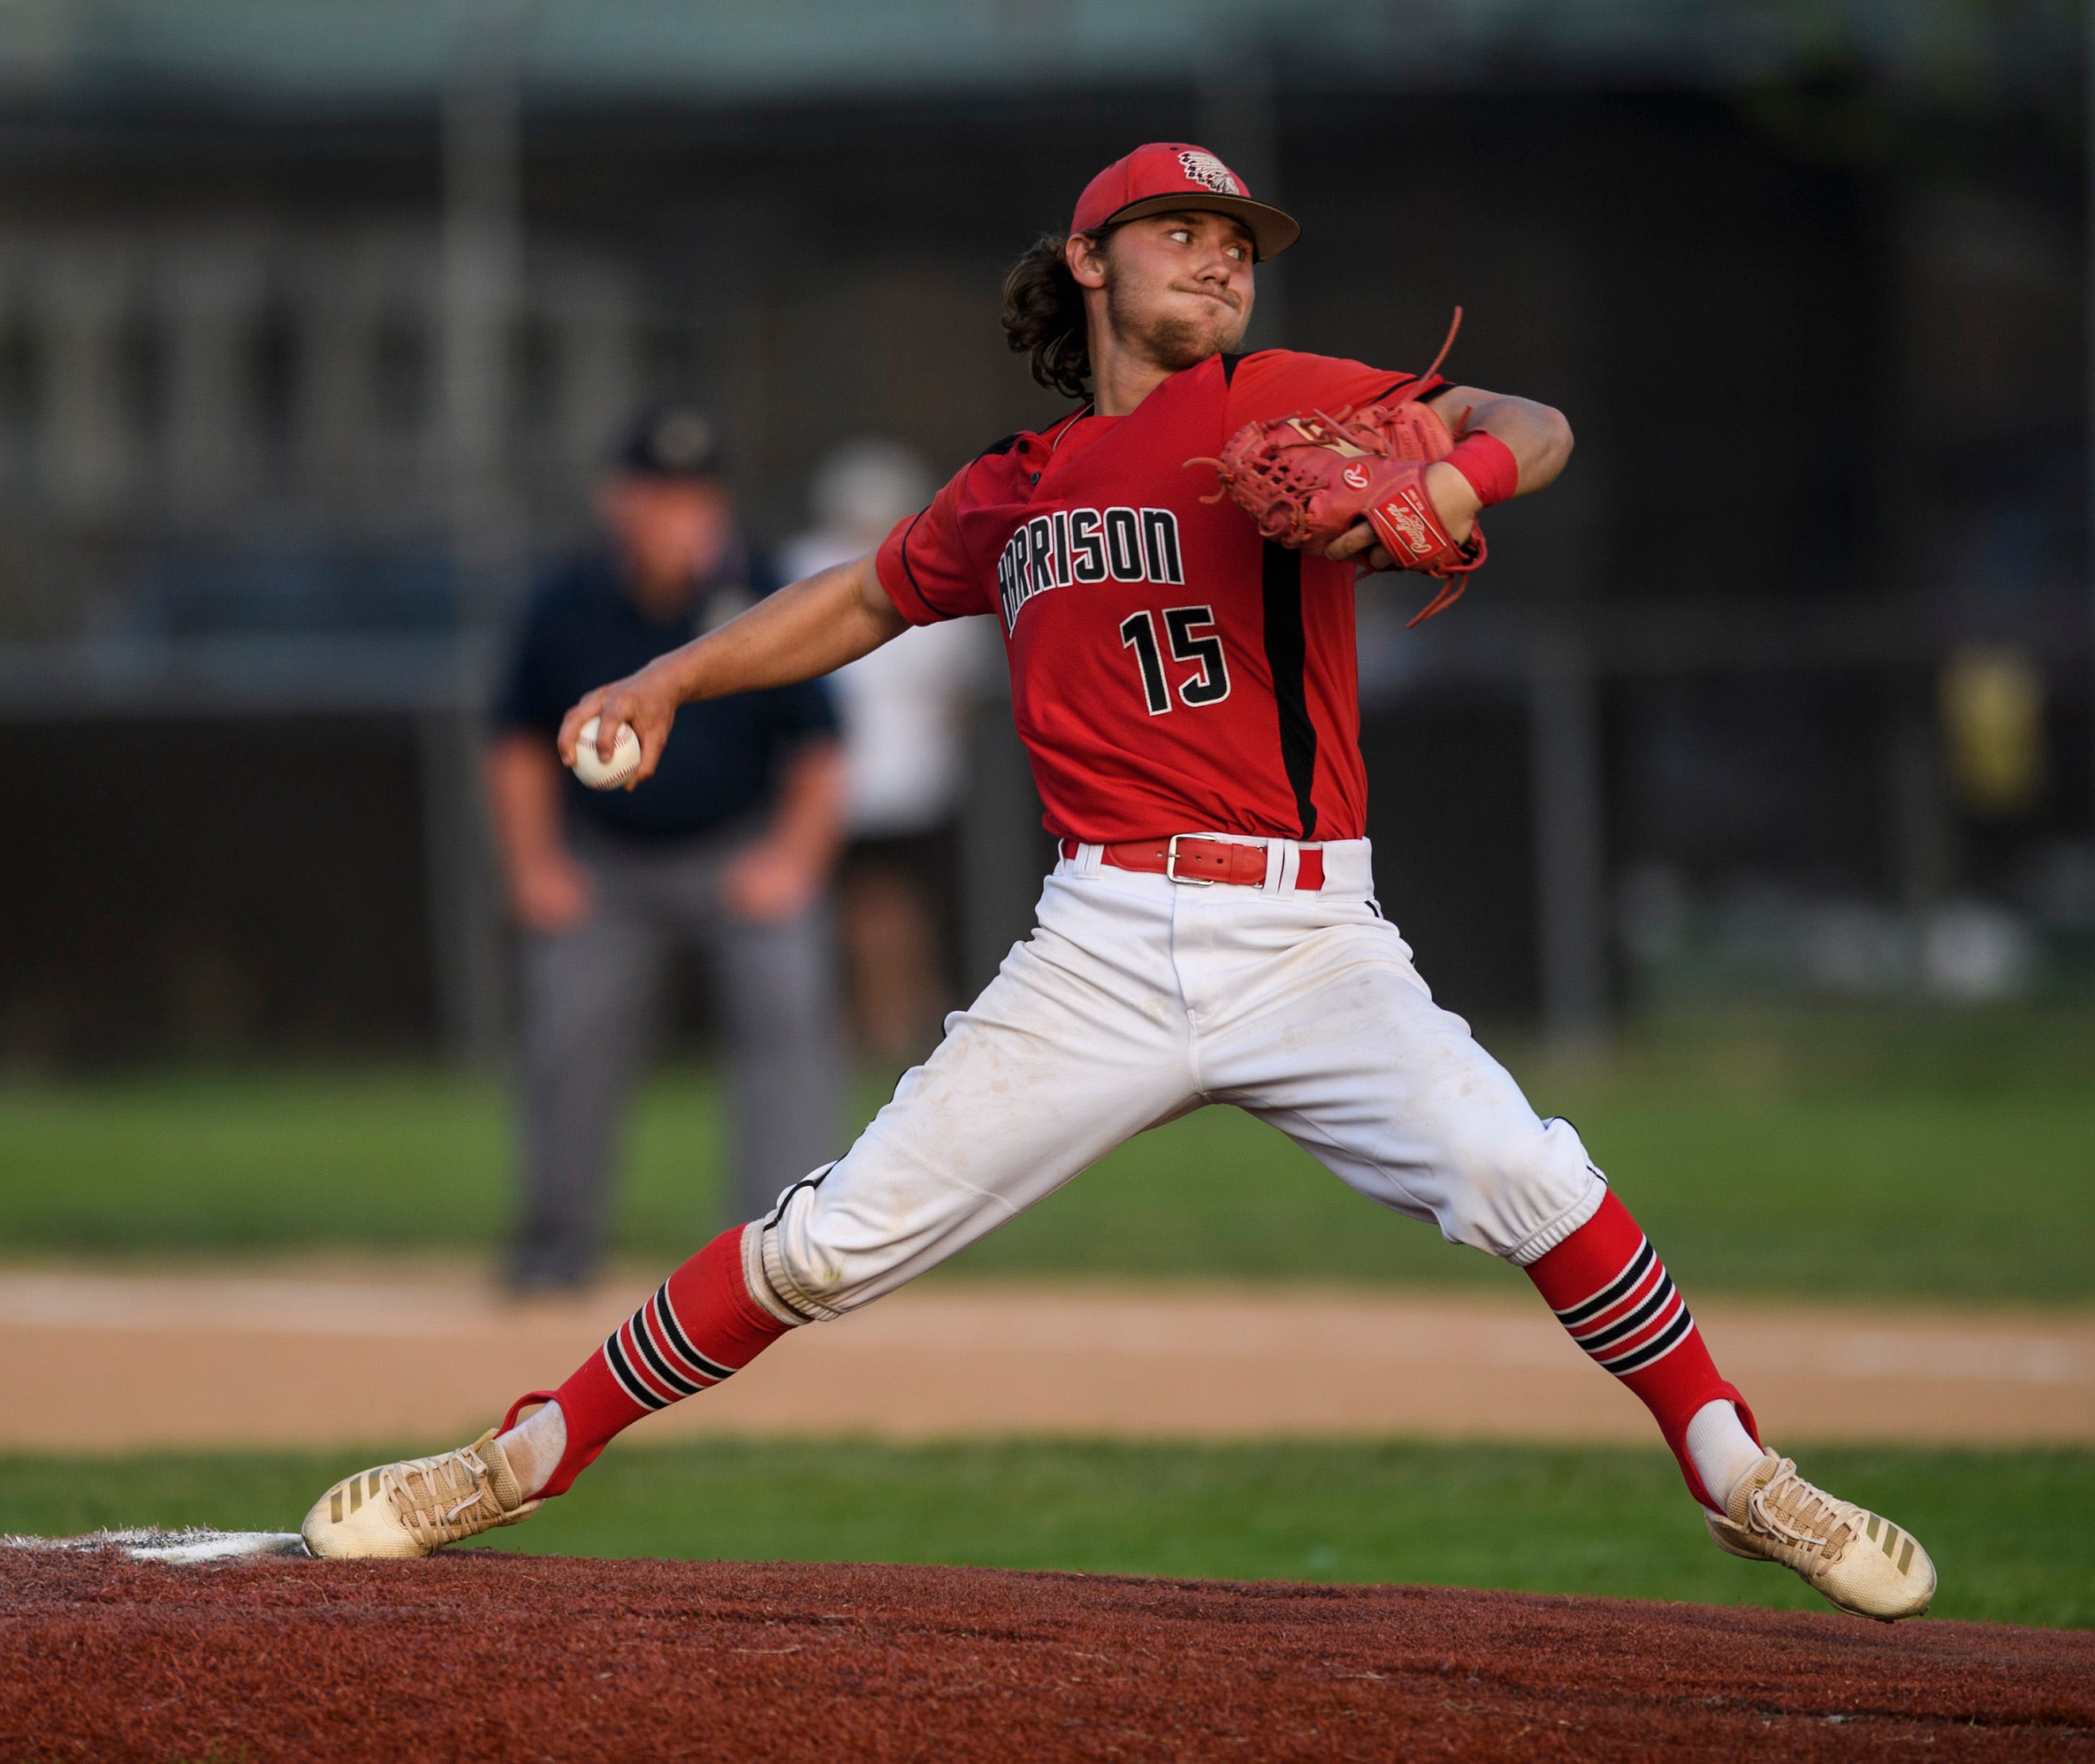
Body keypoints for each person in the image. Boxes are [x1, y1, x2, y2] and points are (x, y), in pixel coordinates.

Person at [306, 145, 1936, 1622]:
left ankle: (1737, 1473)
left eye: (1237, 243)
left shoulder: (1280, 400)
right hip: (1096, 940)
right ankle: (519, 1456)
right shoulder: (1015, 485)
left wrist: (1457, 481)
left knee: (1532, 1177)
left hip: (1307, 936)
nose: (1220, 258)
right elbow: (860, 600)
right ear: (1089, 260)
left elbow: (1533, 421)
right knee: (828, 1247)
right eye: (1179, 231)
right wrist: (668, 676)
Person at [488, 406, 847, 1292]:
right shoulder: (568, 602)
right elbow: (517, 744)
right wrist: (535, 866)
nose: (679, 515)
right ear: (620, 500)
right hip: (605, 865)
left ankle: (780, 1264)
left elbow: (821, 748)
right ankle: (553, 1248)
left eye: (695, 496)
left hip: (737, 852)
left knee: (788, 1010)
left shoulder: (762, 590)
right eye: (659, 495)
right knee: (568, 1036)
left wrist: (793, 863)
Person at [781, 440, 998, 1062]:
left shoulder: (807, 566)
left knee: (881, 903)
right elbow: (959, 693)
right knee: (882, 904)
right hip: (874, 775)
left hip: (872, 776)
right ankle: (888, 1013)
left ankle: (888, 1014)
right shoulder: (827, 563)